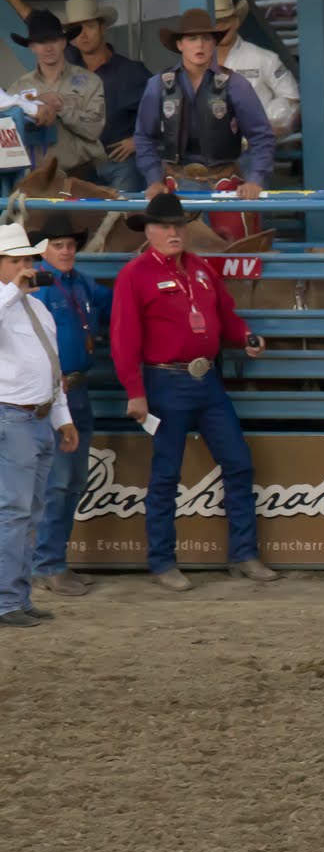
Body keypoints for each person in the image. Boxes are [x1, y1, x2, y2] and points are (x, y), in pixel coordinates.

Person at [109, 193, 276, 591]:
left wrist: (244, 336)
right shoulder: (134, 276)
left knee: (238, 462)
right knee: (166, 473)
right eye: (165, 227)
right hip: (164, 381)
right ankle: (163, 561)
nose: (173, 233)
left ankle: (243, 553)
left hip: (206, 379)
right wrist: (135, 391)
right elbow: (123, 339)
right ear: (148, 232)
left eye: (178, 226)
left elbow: (225, 315)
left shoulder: (201, 269)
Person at [132, 8, 275, 247]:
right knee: (173, 252)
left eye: (206, 38)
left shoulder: (235, 84)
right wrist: (153, 179)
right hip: (176, 182)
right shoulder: (158, 85)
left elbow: (261, 136)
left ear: (214, 44)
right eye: (192, 39)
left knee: (237, 253)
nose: (200, 45)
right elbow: (144, 137)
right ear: (180, 45)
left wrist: (255, 179)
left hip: (225, 181)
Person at [26, 213, 110, 597]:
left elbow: (115, 303)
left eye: (70, 245)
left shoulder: (81, 284)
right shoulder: (38, 288)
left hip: (76, 390)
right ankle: (48, 564)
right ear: (43, 249)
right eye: (58, 245)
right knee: (60, 481)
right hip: (54, 392)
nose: (65, 251)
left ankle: (51, 561)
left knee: (71, 480)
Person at [0, 223, 78, 628]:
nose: (24, 267)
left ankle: (17, 596)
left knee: (29, 511)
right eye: (15, 261)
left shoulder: (39, 308)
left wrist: (62, 418)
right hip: (11, 415)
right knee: (15, 511)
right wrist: (15, 289)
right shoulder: (10, 301)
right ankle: (7, 600)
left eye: (28, 259)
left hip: (38, 415)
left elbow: (53, 368)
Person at [62, 0, 151, 193]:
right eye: (76, 30)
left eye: (89, 26)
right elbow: (38, 31)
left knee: (122, 219)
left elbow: (164, 112)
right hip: (79, 165)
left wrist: (138, 141)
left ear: (103, 27)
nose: (83, 35)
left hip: (120, 163)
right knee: (80, 221)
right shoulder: (66, 67)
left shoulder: (132, 72)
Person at [9, 10, 106, 177]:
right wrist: (32, 107)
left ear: (64, 42)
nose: (48, 48)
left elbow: (94, 130)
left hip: (80, 174)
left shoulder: (91, 81)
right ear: (32, 47)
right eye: (41, 42)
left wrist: (60, 106)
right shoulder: (18, 87)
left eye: (54, 40)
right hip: (36, 178)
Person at [213, 0, 300, 139]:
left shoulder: (265, 58)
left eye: (225, 21)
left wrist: (274, 129)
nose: (220, 27)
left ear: (236, 22)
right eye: (215, 22)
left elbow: (292, 99)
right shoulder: (196, 61)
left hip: (252, 147)